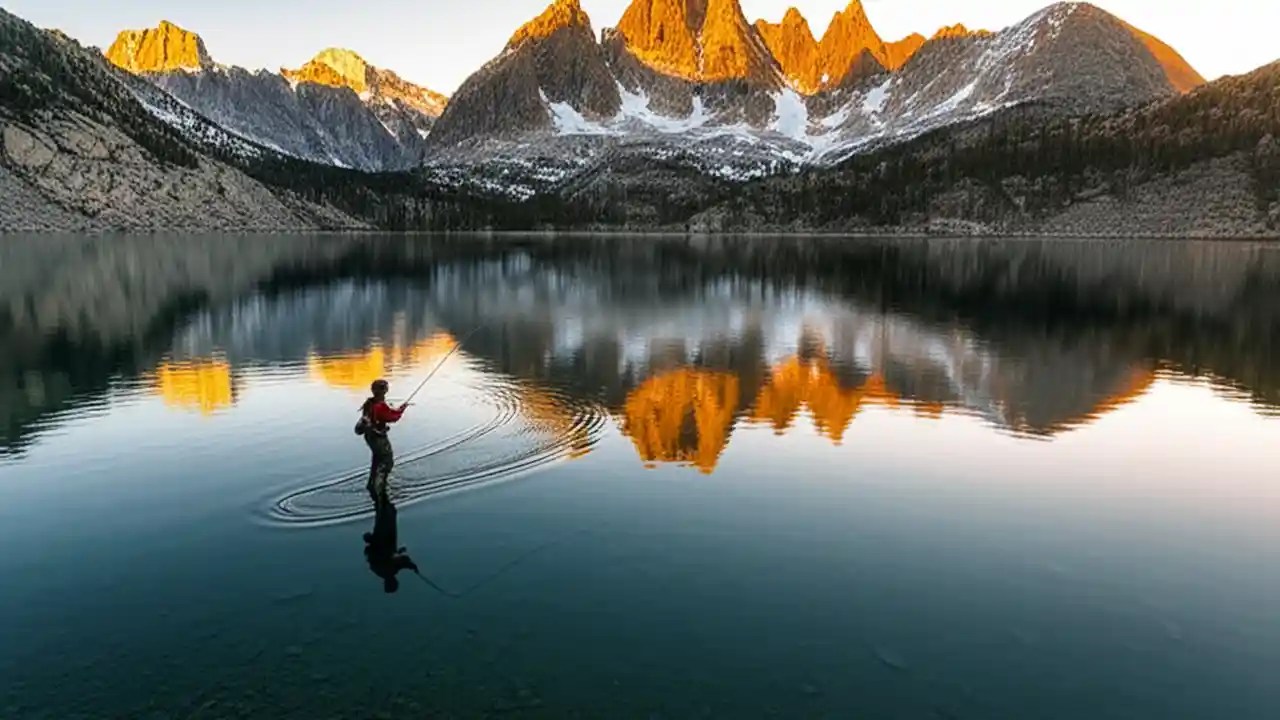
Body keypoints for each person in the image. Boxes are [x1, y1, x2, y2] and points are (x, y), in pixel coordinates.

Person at [359, 379, 409, 501]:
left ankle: (372, 485)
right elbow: (392, 417)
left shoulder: (369, 403)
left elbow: (388, 412)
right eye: (386, 388)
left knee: (377, 461)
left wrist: (399, 409)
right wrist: (402, 410)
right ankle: (379, 489)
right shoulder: (379, 405)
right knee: (386, 463)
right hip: (379, 438)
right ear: (384, 390)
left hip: (370, 437)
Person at [363, 497, 418, 594]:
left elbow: (399, 560)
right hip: (388, 537)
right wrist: (412, 566)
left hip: (382, 537)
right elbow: (400, 562)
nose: (394, 581)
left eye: (392, 583)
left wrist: (410, 565)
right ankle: (380, 493)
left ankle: (378, 493)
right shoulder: (389, 571)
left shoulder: (383, 570)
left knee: (385, 512)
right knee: (388, 511)